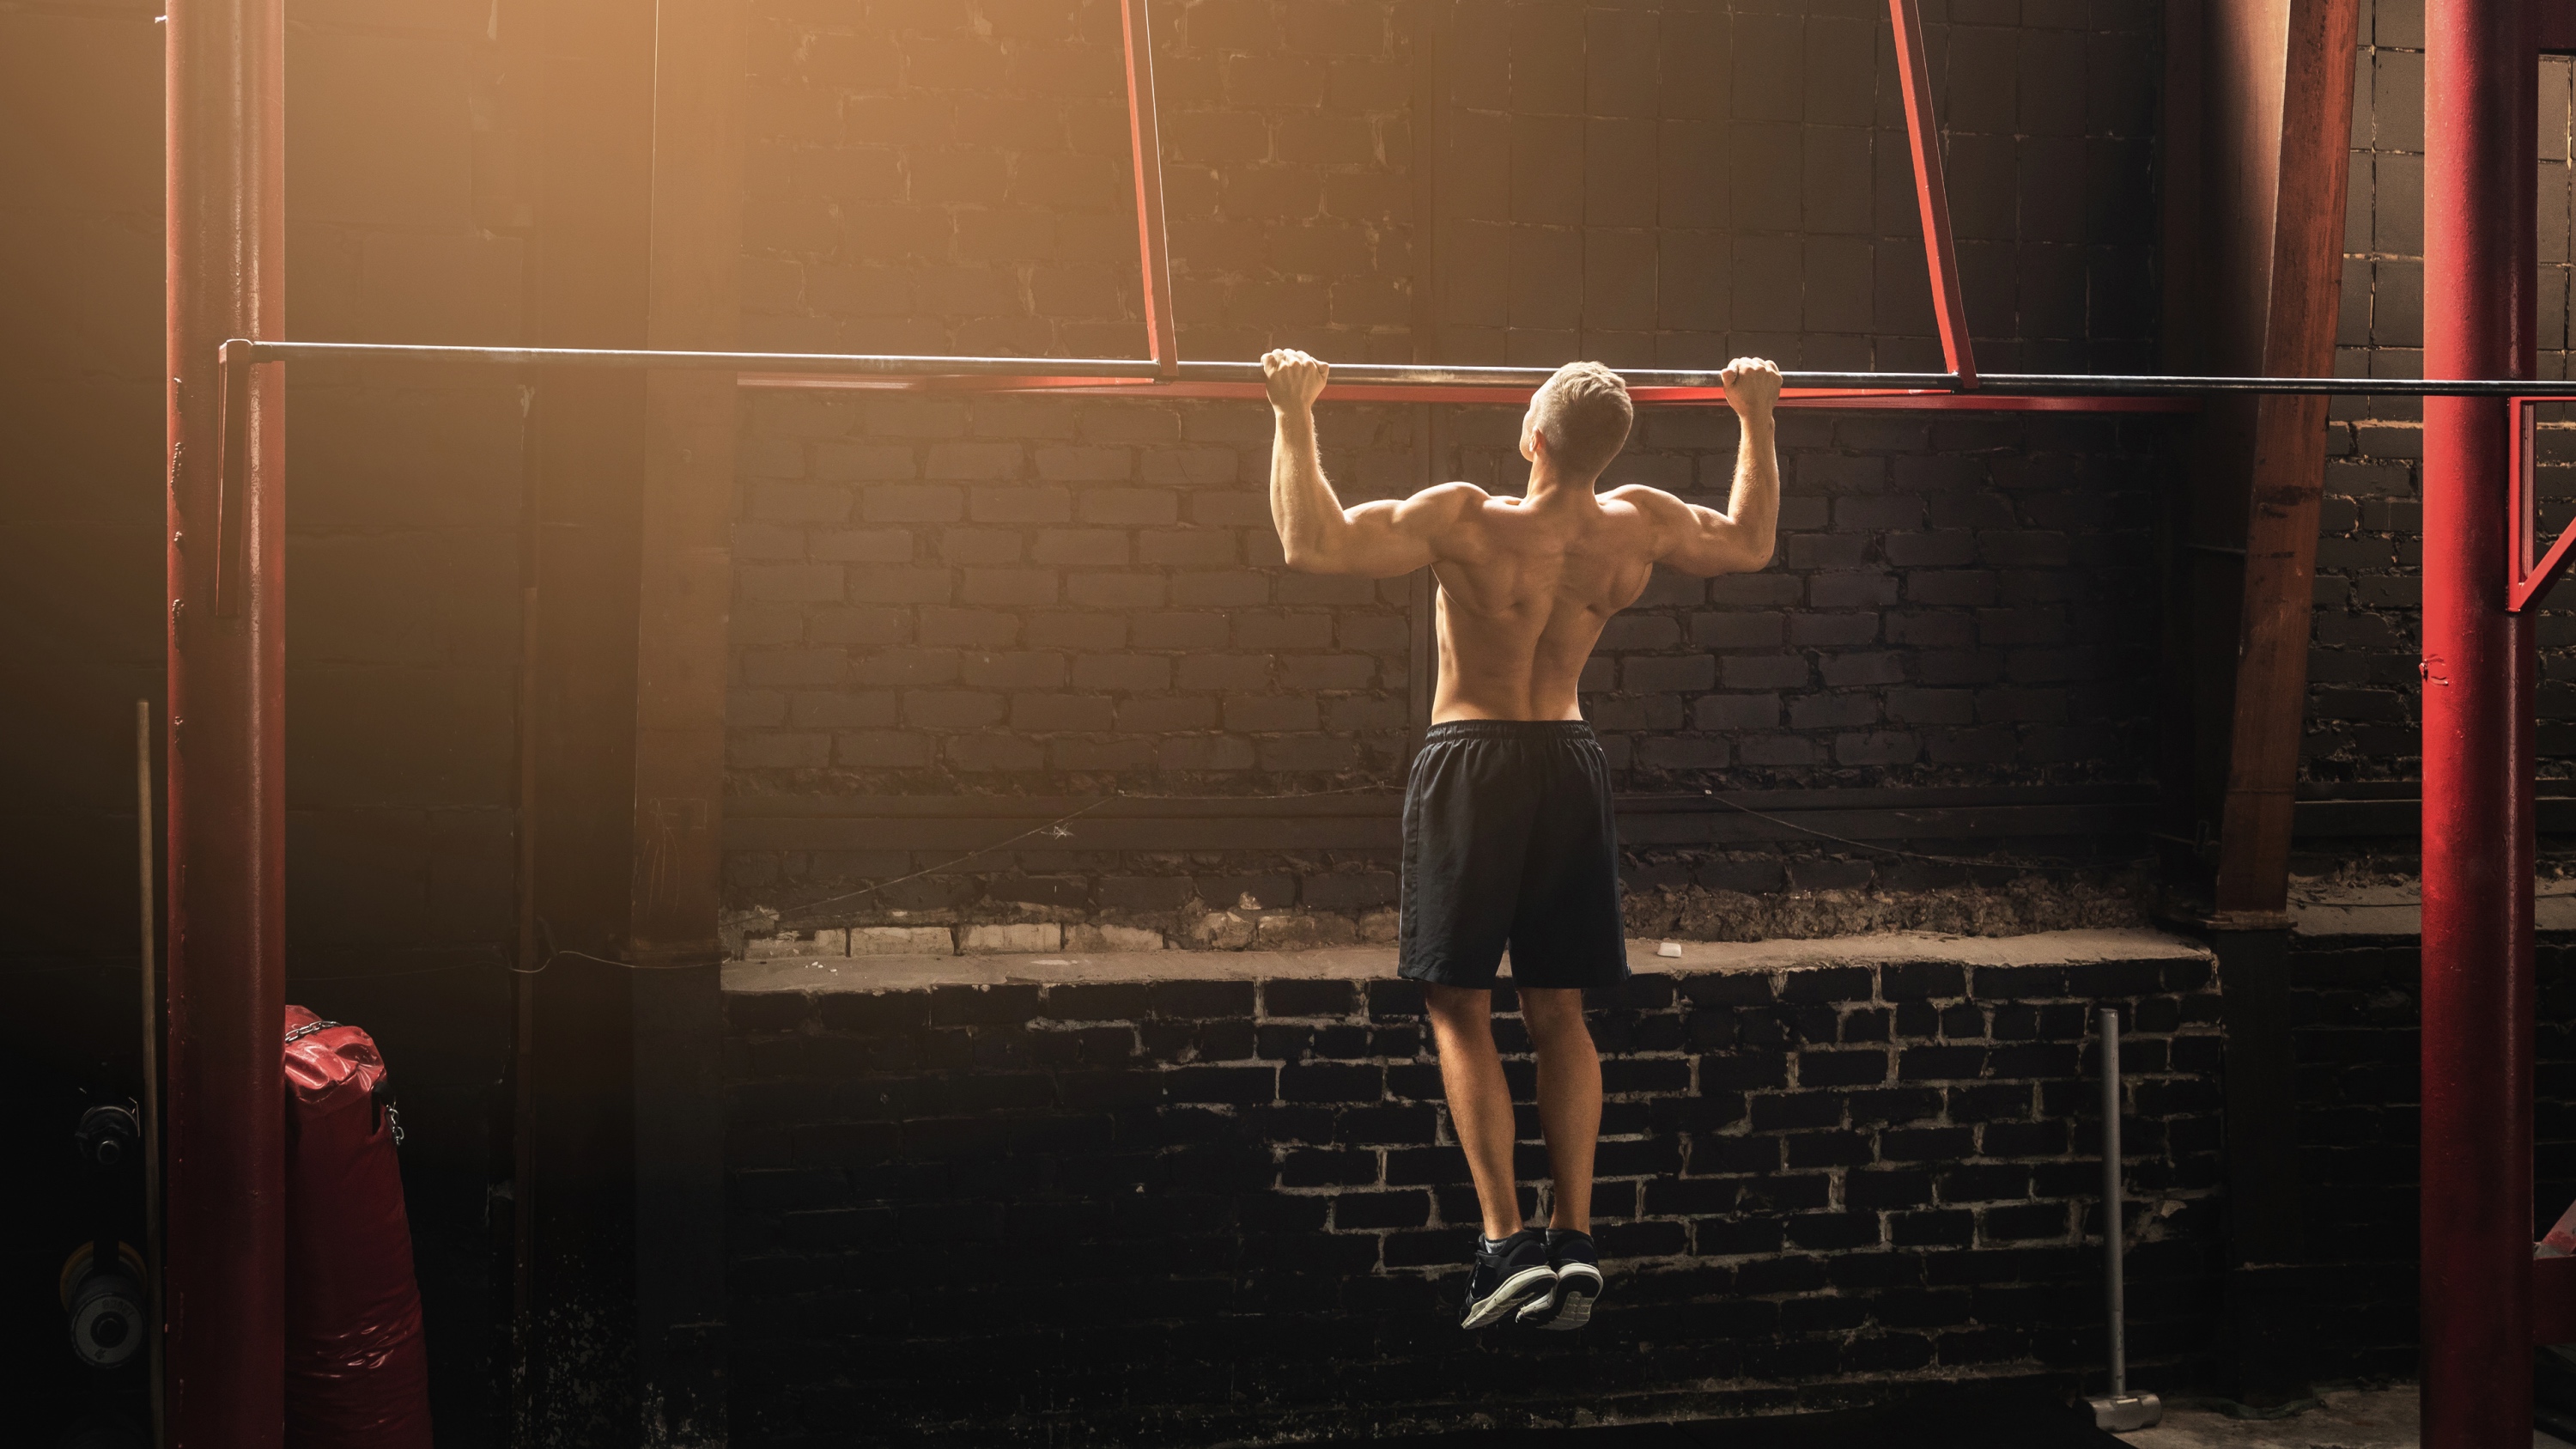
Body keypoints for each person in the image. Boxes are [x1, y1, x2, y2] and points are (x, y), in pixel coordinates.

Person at [1262, 350, 1783, 1330]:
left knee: (1458, 1005)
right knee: (1560, 1011)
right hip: (1568, 760)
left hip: (1473, 757)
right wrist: (1755, 415)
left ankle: (1505, 1245)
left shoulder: (1468, 517)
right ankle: (1574, 1236)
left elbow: (1313, 542)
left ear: (1530, 437)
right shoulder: (1639, 523)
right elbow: (1750, 540)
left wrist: (1294, 411)